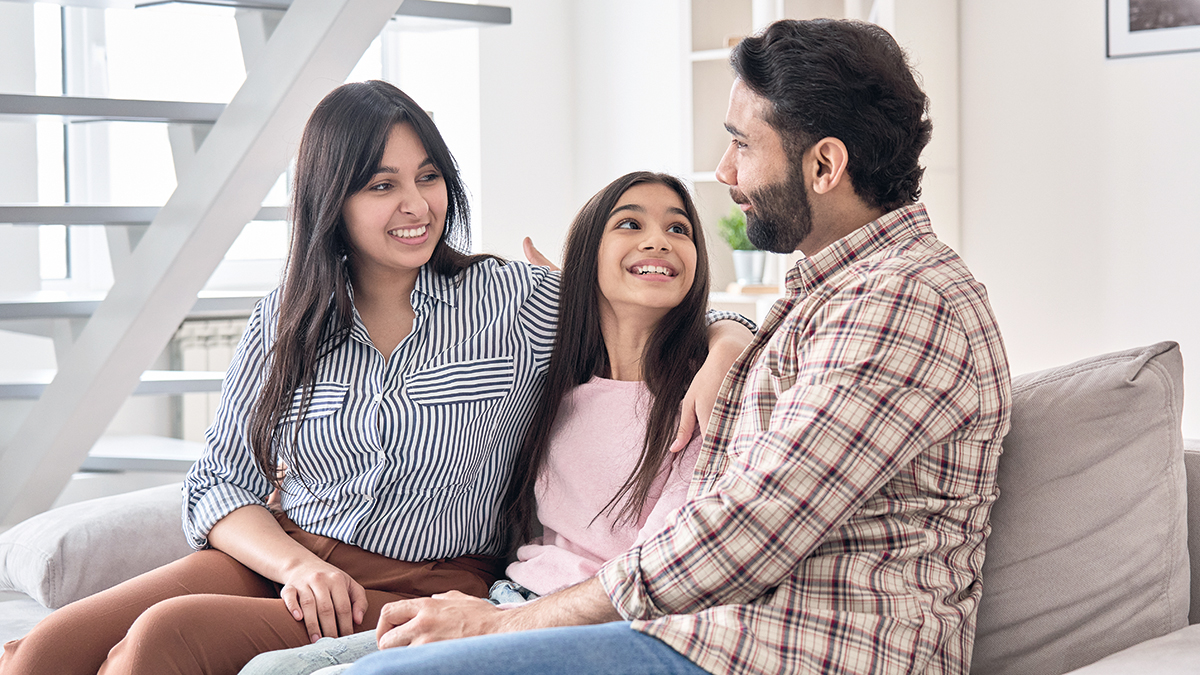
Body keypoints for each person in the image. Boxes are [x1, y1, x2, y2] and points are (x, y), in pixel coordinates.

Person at [0, 83, 751, 675]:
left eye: (428, 177)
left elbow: (656, 301)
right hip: (285, 553)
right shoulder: (287, 317)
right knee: (46, 649)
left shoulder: (513, 300)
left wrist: (725, 346)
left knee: (166, 637)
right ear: (333, 199)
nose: (416, 205)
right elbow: (220, 482)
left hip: (420, 580)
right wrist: (296, 566)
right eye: (382, 185)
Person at [341, 18, 1013, 675]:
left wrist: (504, 623)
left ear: (824, 165)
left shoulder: (904, 301)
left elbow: (755, 525)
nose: (724, 171)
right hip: (713, 636)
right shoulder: (836, 296)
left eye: (742, 145)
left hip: (790, 650)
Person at [239, 170, 715, 675]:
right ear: (585, 259)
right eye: (630, 224)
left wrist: (729, 341)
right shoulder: (556, 379)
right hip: (507, 599)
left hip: (582, 626)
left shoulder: (705, 400)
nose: (658, 241)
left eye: (679, 229)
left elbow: (665, 573)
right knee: (270, 671)